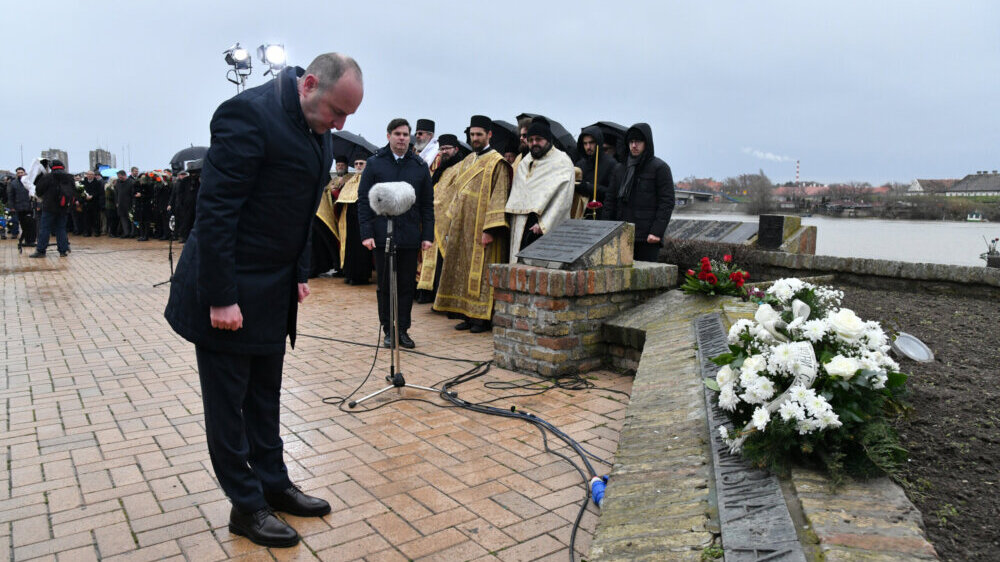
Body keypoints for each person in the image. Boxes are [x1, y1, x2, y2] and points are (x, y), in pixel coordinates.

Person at [163, 52, 363, 548]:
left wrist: (297, 273)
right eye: (336, 112)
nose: (338, 125)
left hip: (273, 289)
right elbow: (215, 212)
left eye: (346, 118)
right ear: (309, 84)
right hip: (227, 289)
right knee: (228, 405)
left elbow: (300, 210)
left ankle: (274, 484)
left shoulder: (320, 129)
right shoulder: (247, 114)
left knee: (264, 397)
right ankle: (245, 506)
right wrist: (220, 297)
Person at [358, 118, 434, 349]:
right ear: (389, 136)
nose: (402, 138)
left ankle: (402, 329)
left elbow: (427, 204)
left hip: (409, 235)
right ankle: (388, 329)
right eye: (397, 134)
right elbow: (363, 201)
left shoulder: (419, 166)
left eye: (405, 134)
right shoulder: (374, 164)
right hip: (382, 235)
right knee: (385, 285)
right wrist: (366, 233)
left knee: (405, 286)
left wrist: (427, 235)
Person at [433, 115, 511, 333]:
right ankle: (467, 315)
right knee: (464, 269)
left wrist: (490, 229)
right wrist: (449, 223)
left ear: (489, 135)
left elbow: (500, 196)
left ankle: (482, 319)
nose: (475, 138)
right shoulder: (467, 161)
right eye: (472, 134)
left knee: (482, 272)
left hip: (483, 229)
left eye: (479, 134)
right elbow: (457, 192)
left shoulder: (498, 163)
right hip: (462, 226)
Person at [602, 123, 675, 262]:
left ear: (646, 143)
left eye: (638, 141)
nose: (634, 145)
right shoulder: (620, 169)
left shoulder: (660, 168)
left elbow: (667, 202)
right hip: (621, 233)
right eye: (631, 142)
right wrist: (605, 230)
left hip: (647, 238)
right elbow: (610, 201)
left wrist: (656, 232)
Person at [506, 120, 575, 262]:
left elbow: (563, 200)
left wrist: (544, 224)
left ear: (548, 139)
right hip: (521, 223)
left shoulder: (562, 161)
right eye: (530, 140)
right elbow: (517, 193)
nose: (534, 143)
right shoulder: (525, 162)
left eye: (538, 139)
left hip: (543, 226)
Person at [415, 134, 466, 303]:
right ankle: (427, 292)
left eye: (447, 149)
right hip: (434, 218)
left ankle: (440, 295)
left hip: (447, 219)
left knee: (442, 260)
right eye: (442, 149)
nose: (444, 152)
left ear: (456, 149)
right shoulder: (441, 168)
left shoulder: (461, 167)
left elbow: (454, 193)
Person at [333, 148, 373, 284]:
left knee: (362, 249)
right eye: (356, 164)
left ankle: (361, 277)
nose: (358, 166)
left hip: (363, 220)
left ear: (367, 164)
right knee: (350, 247)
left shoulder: (370, 179)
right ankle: (349, 274)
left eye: (361, 163)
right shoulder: (350, 181)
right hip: (349, 219)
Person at [29, 159, 75, 258]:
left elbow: (39, 190)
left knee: (45, 229)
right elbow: (73, 191)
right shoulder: (69, 177)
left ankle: (41, 250)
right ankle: (63, 250)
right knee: (61, 229)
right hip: (63, 207)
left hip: (49, 207)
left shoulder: (48, 177)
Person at [575, 126, 621, 219]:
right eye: (585, 143)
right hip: (581, 216)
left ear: (598, 142)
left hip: (602, 216)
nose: (588, 147)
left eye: (591, 143)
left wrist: (589, 187)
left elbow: (613, 193)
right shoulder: (580, 164)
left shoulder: (611, 164)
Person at [8, 167, 35, 247]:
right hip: (19, 207)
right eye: (18, 173)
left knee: (31, 224)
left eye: (21, 172)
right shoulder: (13, 183)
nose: (20, 174)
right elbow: (11, 196)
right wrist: (12, 207)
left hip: (29, 206)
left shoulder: (29, 181)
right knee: (23, 225)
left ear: (24, 173)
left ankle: (31, 241)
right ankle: (27, 241)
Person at [81, 170, 105, 236]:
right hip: (86, 203)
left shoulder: (98, 183)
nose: (90, 176)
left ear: (94, 175)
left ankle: (97, 231)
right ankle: (87, 232)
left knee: (96, 218)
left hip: (95, 203)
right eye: (88, 174)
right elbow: (80, 192)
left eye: (91, 174)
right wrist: (85, 197)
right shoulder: (83, 183)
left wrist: (93, 196)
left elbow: (100, 192)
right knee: (86, 218)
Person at [115, 170, 135, 238]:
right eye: (118, 177)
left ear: (124, 175)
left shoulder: (131, 182)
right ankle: (126, 233)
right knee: (123, 219)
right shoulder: (118, 183)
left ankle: (132, 233)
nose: (119, 178)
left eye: (120, 177)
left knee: (131, 219)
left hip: (129, 204)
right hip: (121, 204)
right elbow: (116, 193)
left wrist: (133, 204)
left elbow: (133, 195)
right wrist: (117, 202)